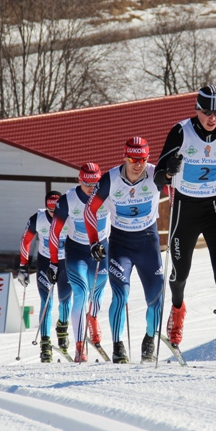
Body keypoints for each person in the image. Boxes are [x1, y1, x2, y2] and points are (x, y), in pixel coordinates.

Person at [153, 85, 216, 366]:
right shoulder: (181, 132)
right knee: (180, 274)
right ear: (197, 109)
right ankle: (177, 309)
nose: (212, 116)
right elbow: (159, 177)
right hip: (185, 208)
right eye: (207, 111)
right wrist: (169, 169)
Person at [84, 137, 163, 364]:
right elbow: (90, 210)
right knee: (121, 295)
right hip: (121, 244)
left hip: (148, 242)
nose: (138, 164)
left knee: (156, 297)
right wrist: (94, 242)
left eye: (142, 159)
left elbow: (179, 191)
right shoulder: (110, 179)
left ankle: (149, 341)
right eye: (132, 159)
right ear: (124, 157)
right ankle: (118, 345)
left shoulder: (155, 174)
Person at [48, 163, 110, 362]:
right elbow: (54, 232)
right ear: (79, 180)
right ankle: (80, 346)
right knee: (81, 293)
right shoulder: (68, 199)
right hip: (77, 251)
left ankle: (92, 318)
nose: (92, 188)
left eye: (95, 183)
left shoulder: (107, 194)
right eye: (86, 183)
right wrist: (53, 262)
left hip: (101, 249)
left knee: (98, 292)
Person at [17, 191, 72, 362]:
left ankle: (62, 331)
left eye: (56, 211)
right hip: (45, 263)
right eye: (50, 211)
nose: (54, 215)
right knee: (46, 301)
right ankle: (45, 343)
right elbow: (26, 240)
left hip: (65, 262)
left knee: (65, 299)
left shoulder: (69, 215)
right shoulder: (38, 218)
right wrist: (23, 267)